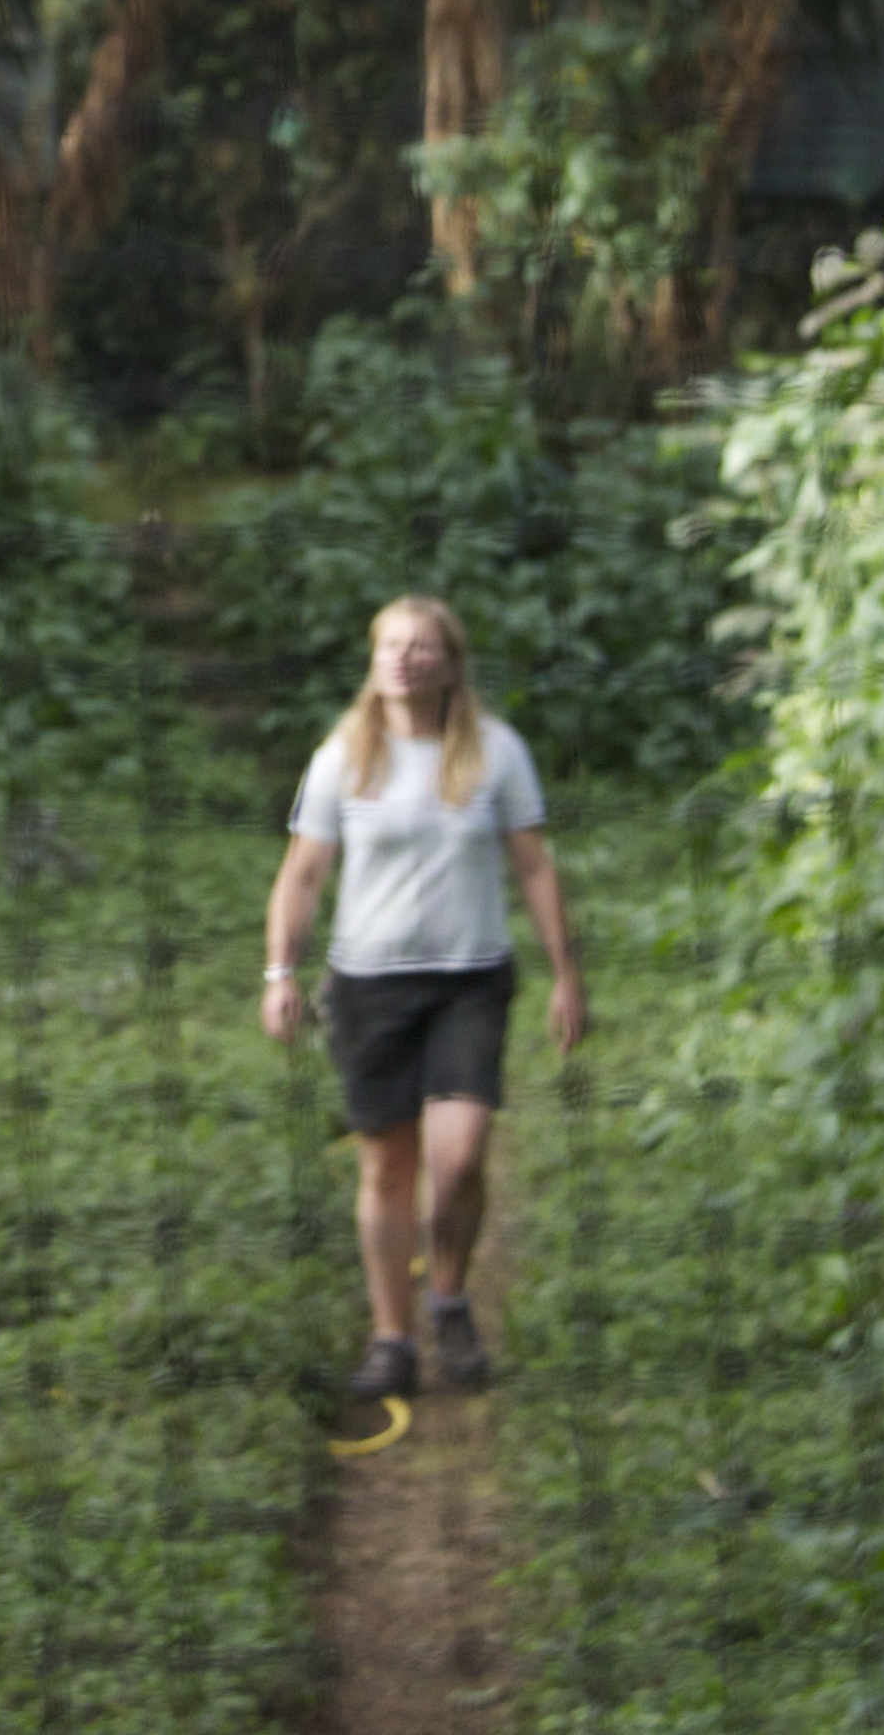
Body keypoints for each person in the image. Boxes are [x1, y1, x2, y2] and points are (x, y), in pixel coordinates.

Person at [261, 594, 585, 1402]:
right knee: (387, 1165)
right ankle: (392, 1340)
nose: (404, 659)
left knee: (460, 1155)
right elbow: (303, 874)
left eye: (422, 646)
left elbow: (534, 865)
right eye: (391, 646)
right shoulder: (344, 756)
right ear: (374, 661)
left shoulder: (496, 752)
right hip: (369, 987)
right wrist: (279, 973)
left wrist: (567, 974)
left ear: (451, 663)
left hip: (471, 980)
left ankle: (448, 1298)